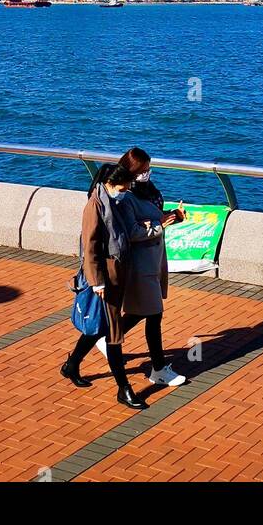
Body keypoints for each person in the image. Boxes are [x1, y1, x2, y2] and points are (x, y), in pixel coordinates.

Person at [60, 164, 159, 410]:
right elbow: (89, 248)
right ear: (109, 183)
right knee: (114, 335)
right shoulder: (95, 206)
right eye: (122, 187)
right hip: (103, 281)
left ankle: (71, 365)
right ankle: (123, 389)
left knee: (98, 328)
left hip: (117, 275)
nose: (125, 191)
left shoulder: (113, 202)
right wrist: (97, 282)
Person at [95, 147, 188, 388]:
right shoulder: (124, 195)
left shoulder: (148, 190)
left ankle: (101, 342)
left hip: (154, 258)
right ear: (132, 172)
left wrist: (173, 215)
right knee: (154, 314)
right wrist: (160, 225)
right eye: (143, 170)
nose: (147, 174)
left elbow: (155, 216)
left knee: (142, 311)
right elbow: (132, 231)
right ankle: (158, 369)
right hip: (139, 263)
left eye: (149, 169)